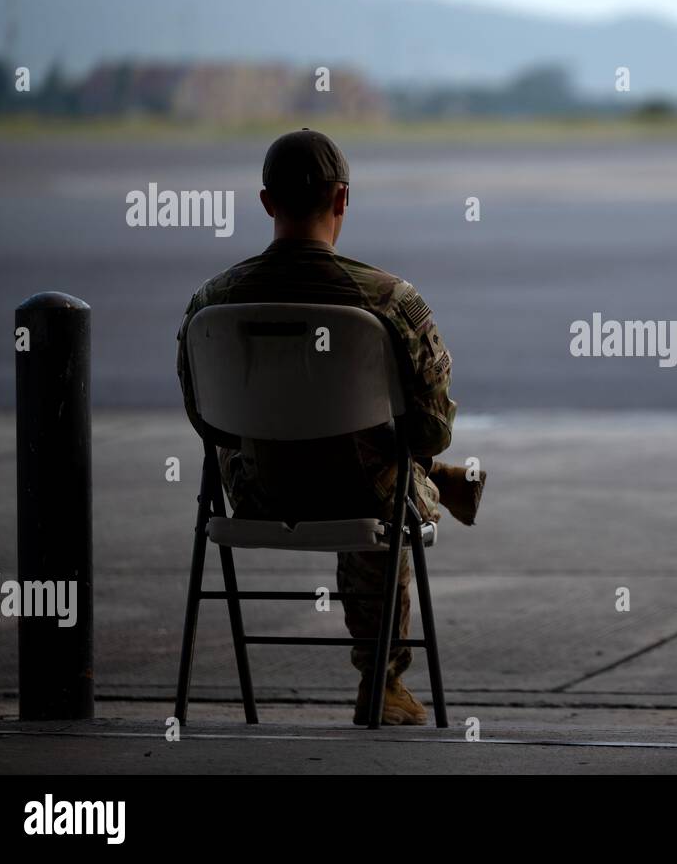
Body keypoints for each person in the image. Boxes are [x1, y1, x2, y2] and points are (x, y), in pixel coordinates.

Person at [175, 129, 481, 726]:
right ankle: (382, 682)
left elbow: (207, 423)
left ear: (267, 203)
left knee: (376, 464)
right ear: (342, 199)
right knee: (392, 477)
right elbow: (433, 427)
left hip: (258, 494)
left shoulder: (209, 303)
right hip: (362, 494)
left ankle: (427, 479)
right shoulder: (389, 300)